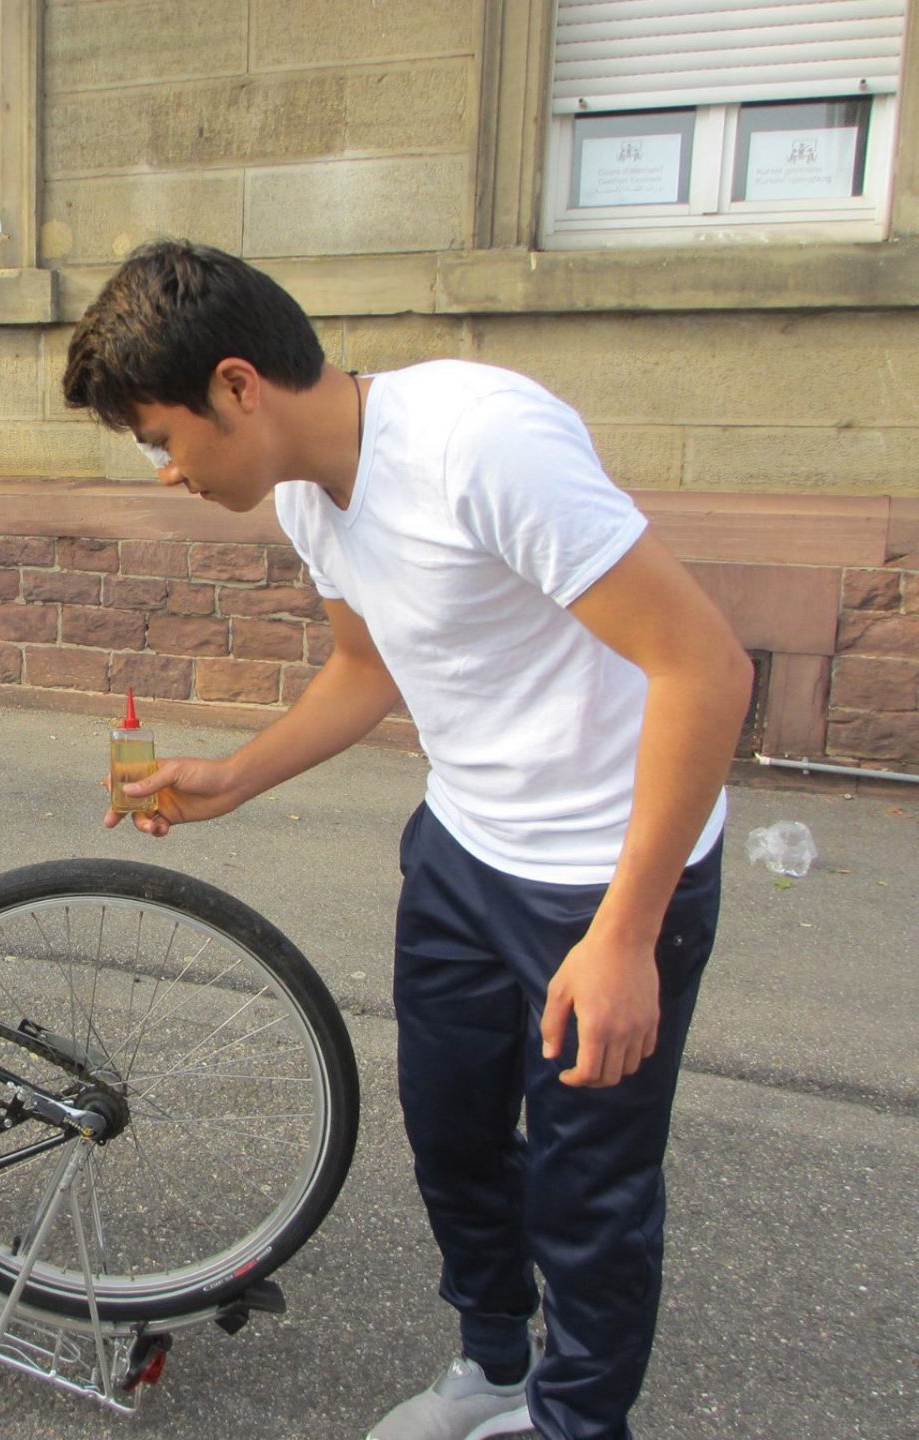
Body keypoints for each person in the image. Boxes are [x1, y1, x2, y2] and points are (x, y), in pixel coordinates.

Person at [61, 241, 751, 1440]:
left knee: (589, 1188)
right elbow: (367, 665)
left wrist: (627, 936)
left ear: (237, 385)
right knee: (454, 1139)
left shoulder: (481, 442)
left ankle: (578, 1423)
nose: (167, 472)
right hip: (462, 853)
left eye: (162, 438)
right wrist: (233, 776)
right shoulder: (306, 490)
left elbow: (706, 668)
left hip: (606, 873)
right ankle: (496, 1367)